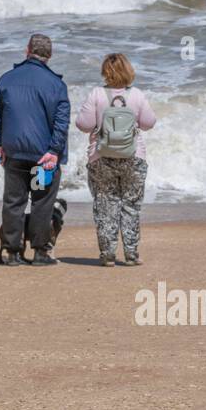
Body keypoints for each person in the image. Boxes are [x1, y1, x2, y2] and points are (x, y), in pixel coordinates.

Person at [0, 33, 70, 266]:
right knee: (42, 201)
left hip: (14, 153)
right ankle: (40, 252)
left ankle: (11, 252)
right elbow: (61, 123)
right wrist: (54, 151)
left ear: (27, 50)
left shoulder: (7, 79)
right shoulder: (56, 84)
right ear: (49, 56)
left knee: (14, 201)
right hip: (43, 158)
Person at [74, 53, 157, 266]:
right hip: (133, 157)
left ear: (105, 72)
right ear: (129, 71)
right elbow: (149, 122)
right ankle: (131, 254)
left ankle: (108, 254)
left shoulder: (96, 94)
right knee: (131, 204)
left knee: (105, 204)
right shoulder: (137, 95)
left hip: (101, 156)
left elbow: (83, 125)